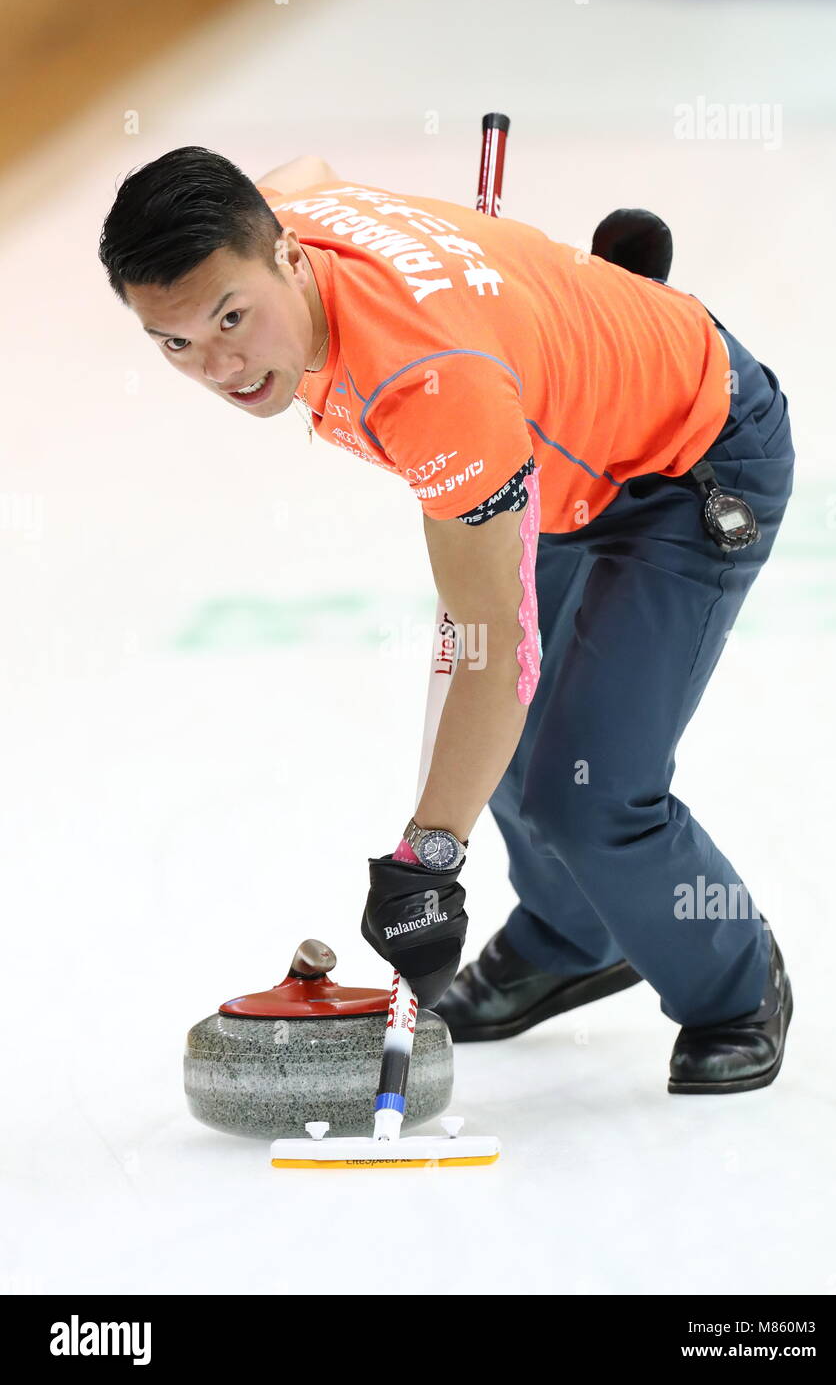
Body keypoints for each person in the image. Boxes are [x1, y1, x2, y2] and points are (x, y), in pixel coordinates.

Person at [98, 146, 795, 1095]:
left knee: (589, 791)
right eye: (173, 343)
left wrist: (428, 861)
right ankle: (569, 939)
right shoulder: (285, 214)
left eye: (231, 318)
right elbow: (307, 169)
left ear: (288, 257)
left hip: (690, 460)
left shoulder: (430, 388)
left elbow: (493, 645)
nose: (219, 366)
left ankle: (737, 981)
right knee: (497, 750)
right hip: (549, 446)